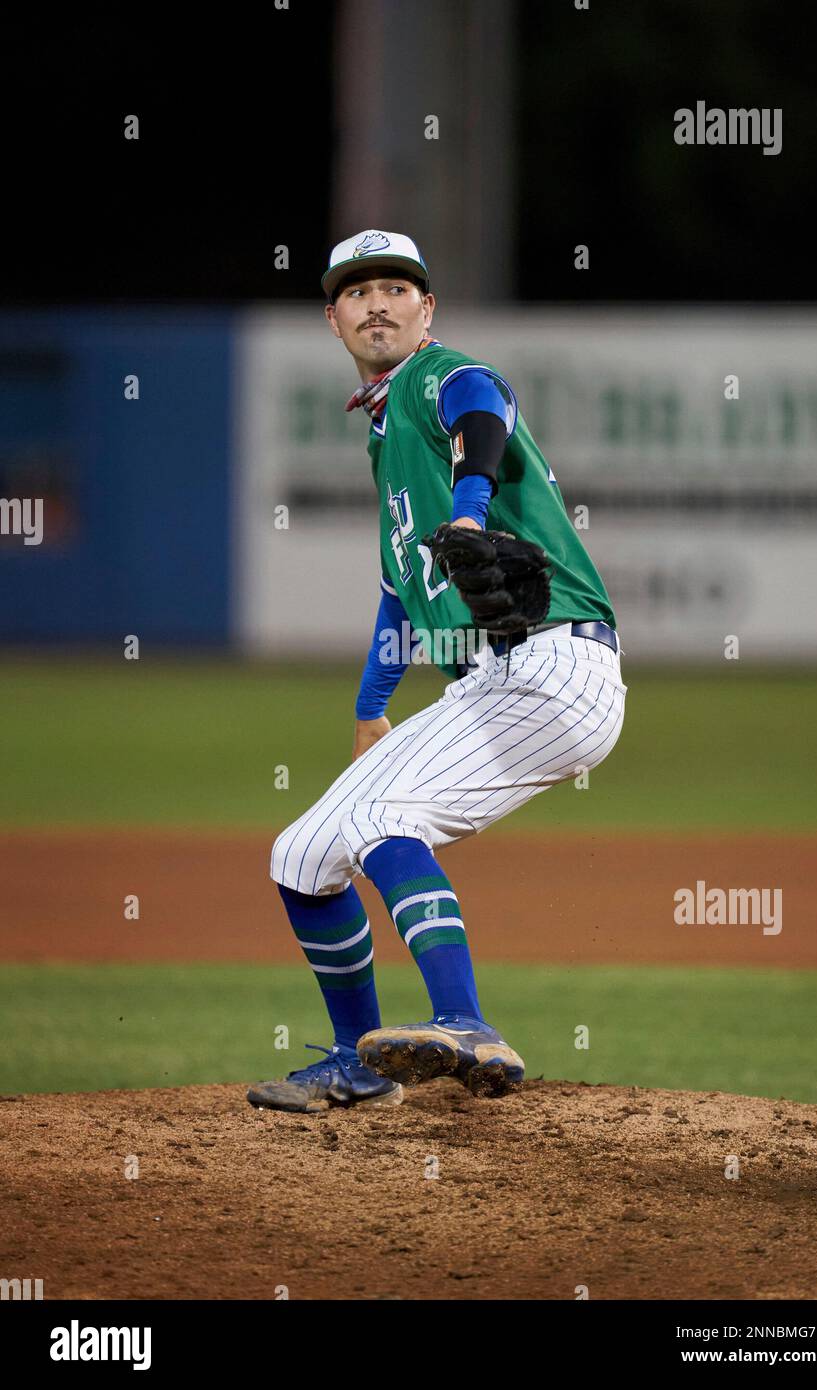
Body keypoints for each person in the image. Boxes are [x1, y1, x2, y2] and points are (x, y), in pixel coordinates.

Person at [247, 229, 627, 1114]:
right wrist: (369, 706)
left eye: (396, 287)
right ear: (333, 317)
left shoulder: (436, 376)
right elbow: (397, 589)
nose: (377, 303)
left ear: (428, 312)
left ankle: (465, 1020)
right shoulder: (387, 438)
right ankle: (361, 1062)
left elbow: (482, 409)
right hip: (499, 680)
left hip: (556, 662)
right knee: (301, 856)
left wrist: (468, 512)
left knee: (382, 816)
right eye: (356, 291)